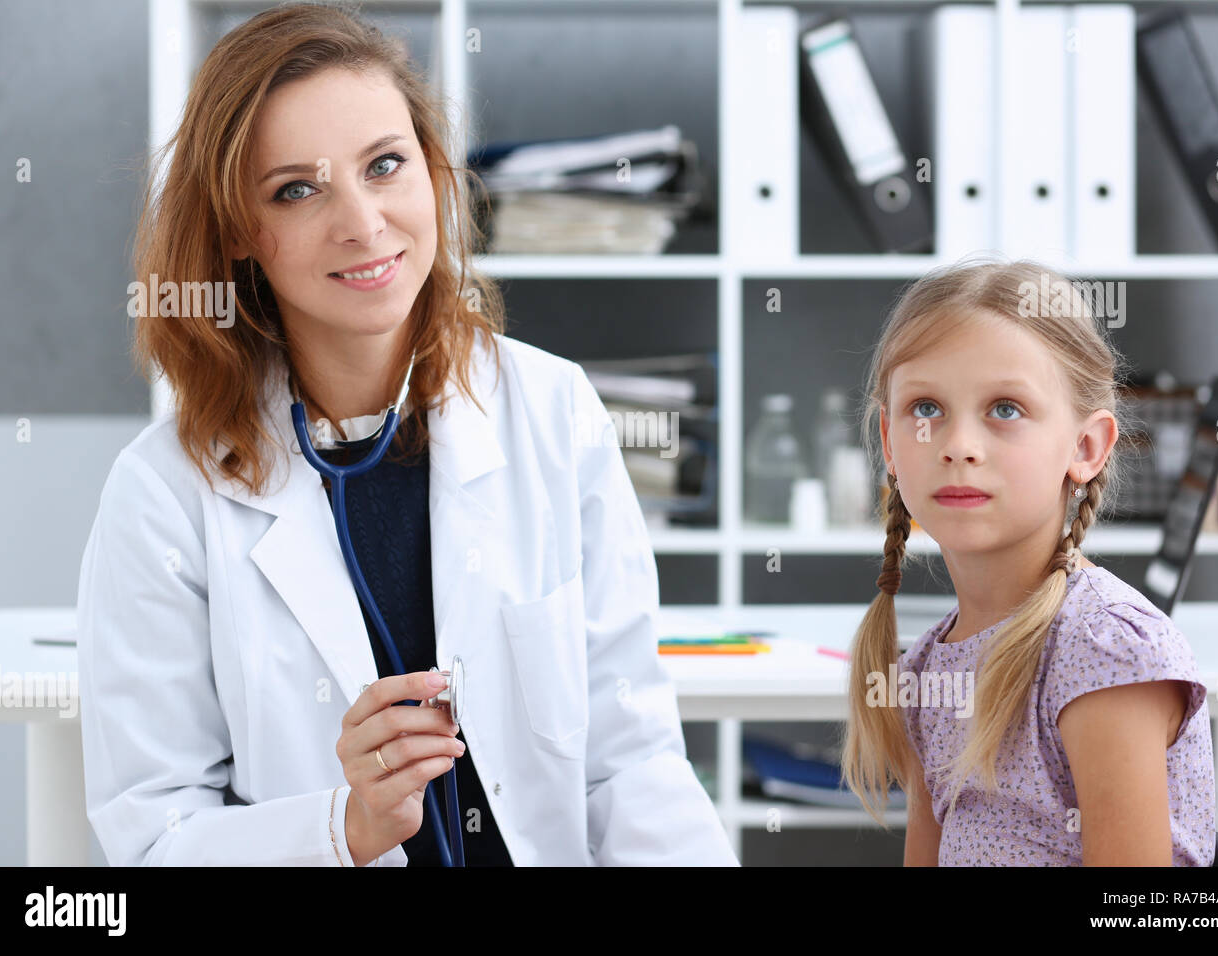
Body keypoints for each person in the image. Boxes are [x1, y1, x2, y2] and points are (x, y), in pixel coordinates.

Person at [76, 2, 736, 867]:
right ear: (239, 229)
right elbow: (152, 838)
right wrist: (338, 832)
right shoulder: (165, 494)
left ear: (433, 174)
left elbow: (631, 764)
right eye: (298, 189)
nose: (362, 221)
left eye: (385, 165)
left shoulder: (553, 410)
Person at [840, 257, 1215, 866]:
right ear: (889, 442)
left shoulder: (1104, 650)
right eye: (926, 409)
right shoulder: (928, 666)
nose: (959, 447)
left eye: (1005, 409)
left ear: (1085, 447)